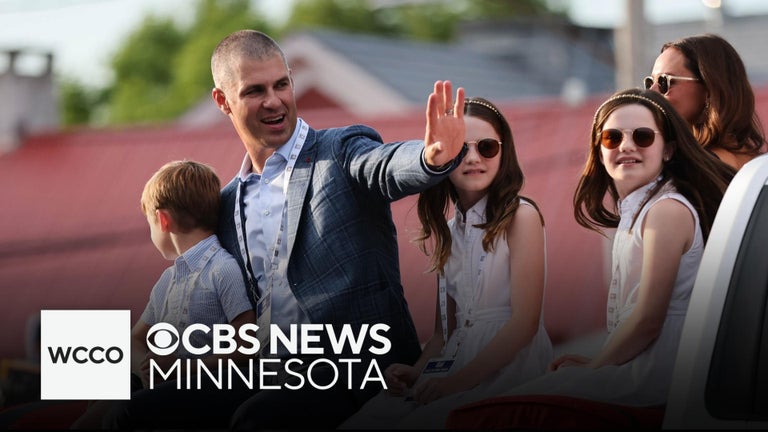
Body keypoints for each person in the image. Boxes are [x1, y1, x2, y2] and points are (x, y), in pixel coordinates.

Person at [106, 30, 468, 430]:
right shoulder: (225, 205)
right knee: (134, 411)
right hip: (264, 370)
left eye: (281, 84)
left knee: (257, 419)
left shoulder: (341, 151)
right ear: (223, 101)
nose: (274, 100)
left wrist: (431, 156)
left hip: (354, 365)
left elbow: (385, 165)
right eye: (255, 91)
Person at [467, 89, 735, 412]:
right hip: (639, 371)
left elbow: (648, 320)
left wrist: (594, 369)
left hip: (655, 381)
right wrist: (596, 359)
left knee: (499, 411)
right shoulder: (640, 210)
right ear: (599, 149)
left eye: (643, 136)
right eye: (611, 138)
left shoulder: (666, 211)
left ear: (668, 150)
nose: (626, 146)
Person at [339, 97, 553, 429]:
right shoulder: (449, 231)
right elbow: (443, 334)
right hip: (454, 362)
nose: (473, 158)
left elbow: (524, 324)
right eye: (459, 149)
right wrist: (417, 371)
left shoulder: (521, 215)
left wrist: (454, 383)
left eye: (486, 147)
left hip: (507, 365)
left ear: (504, 153)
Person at [72, 160, 256, 429]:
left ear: (162, 219)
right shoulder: (168, 280)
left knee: (121, 415)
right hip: (164, 383)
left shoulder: (222, 269)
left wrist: (181, 368)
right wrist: (147, 367)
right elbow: (135, 338)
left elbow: (246, 343)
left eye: (150, 224)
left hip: (205, 385)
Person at [645, 33, 766, 170]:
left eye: (664, 82)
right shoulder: (755, 163)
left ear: (709, 89)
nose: (652, 92)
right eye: (649, 83)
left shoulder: (696, 168)